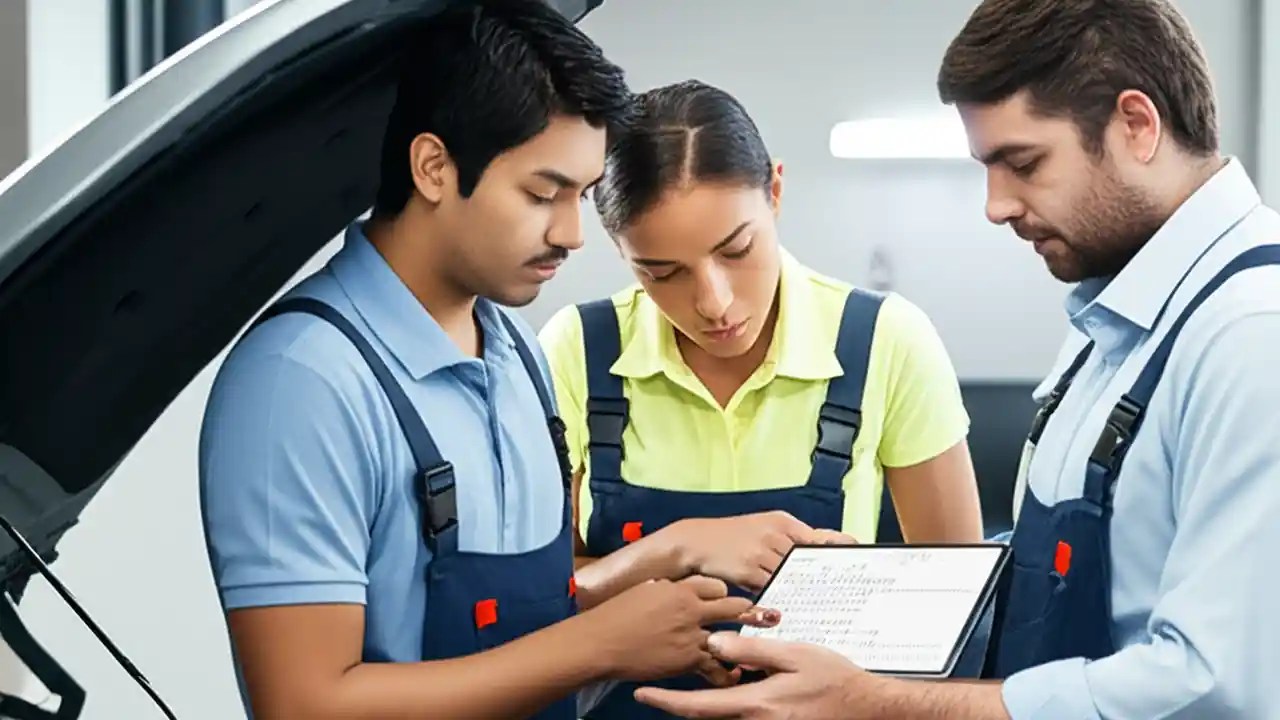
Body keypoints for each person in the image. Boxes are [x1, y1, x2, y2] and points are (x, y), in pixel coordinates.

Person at [631, 1, 1280, 718]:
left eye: (1023, 163)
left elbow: (1216, 688)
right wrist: (856, 595)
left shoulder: (1252, 335)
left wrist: (875, 702)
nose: (995, 206)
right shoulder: (1119, 322)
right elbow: (1054, 581)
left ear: (1136, 125)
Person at [197, 3, 764, 719]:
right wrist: (597, 646)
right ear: (434, 167)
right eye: (543, 193)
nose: (572, 233)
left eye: (583, 195)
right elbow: (304, 705)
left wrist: (662, 590)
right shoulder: (302, 381)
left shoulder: (519, 353)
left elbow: (526, 620)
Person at [536, 79, 986, 719]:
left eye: (737, 249)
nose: (713, 303)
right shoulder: (575, 350)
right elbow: (540, 604)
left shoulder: (888, 341)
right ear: (619, 249)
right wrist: (676, 548)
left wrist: (864, 592)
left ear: (775, 191)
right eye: (662, 272)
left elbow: (954, 604)